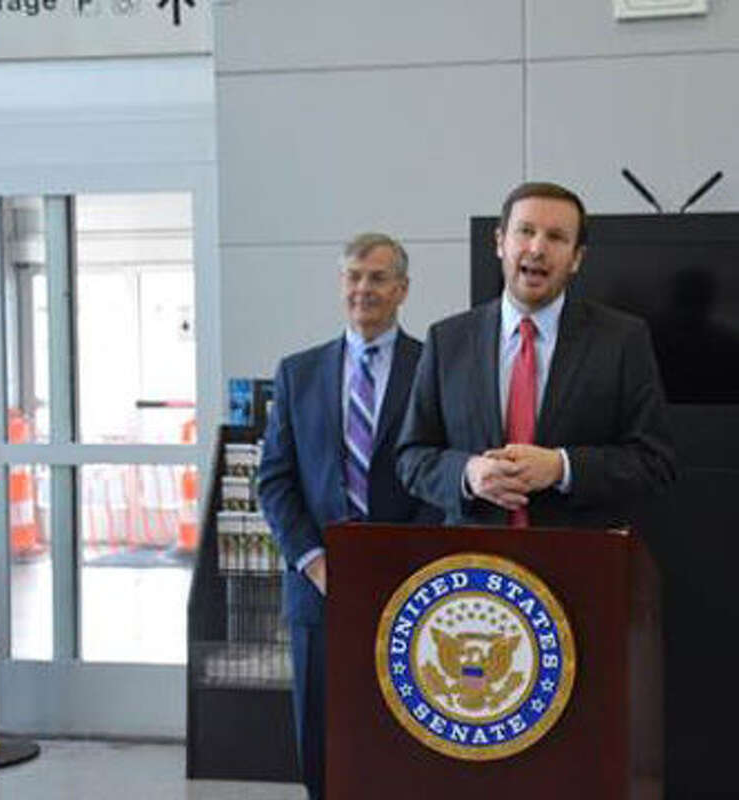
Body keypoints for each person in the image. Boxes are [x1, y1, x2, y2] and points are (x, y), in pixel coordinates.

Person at [258, 232, 439, 800]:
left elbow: (440, 474)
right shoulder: (297, 373)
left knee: (406, 730)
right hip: (318, 591)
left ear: (402, 289)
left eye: (378, 278)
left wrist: (405, 562)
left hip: (409, 585)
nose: (364, 289)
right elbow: (275, 479)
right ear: (341, 285)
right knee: (321, 735)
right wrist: (313, 561)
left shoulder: (434, 367)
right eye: (354, 276)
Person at [395, 181, 676, 528]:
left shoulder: (621, 340)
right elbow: (412, 457)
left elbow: (654, 462)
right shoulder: (447, 340)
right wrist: (466, 474)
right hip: (474, 569)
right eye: (525, 231)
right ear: (500, 242)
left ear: (576, 258)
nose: (537, 248)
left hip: (578, 564)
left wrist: (562, 467)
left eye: (556, 237)